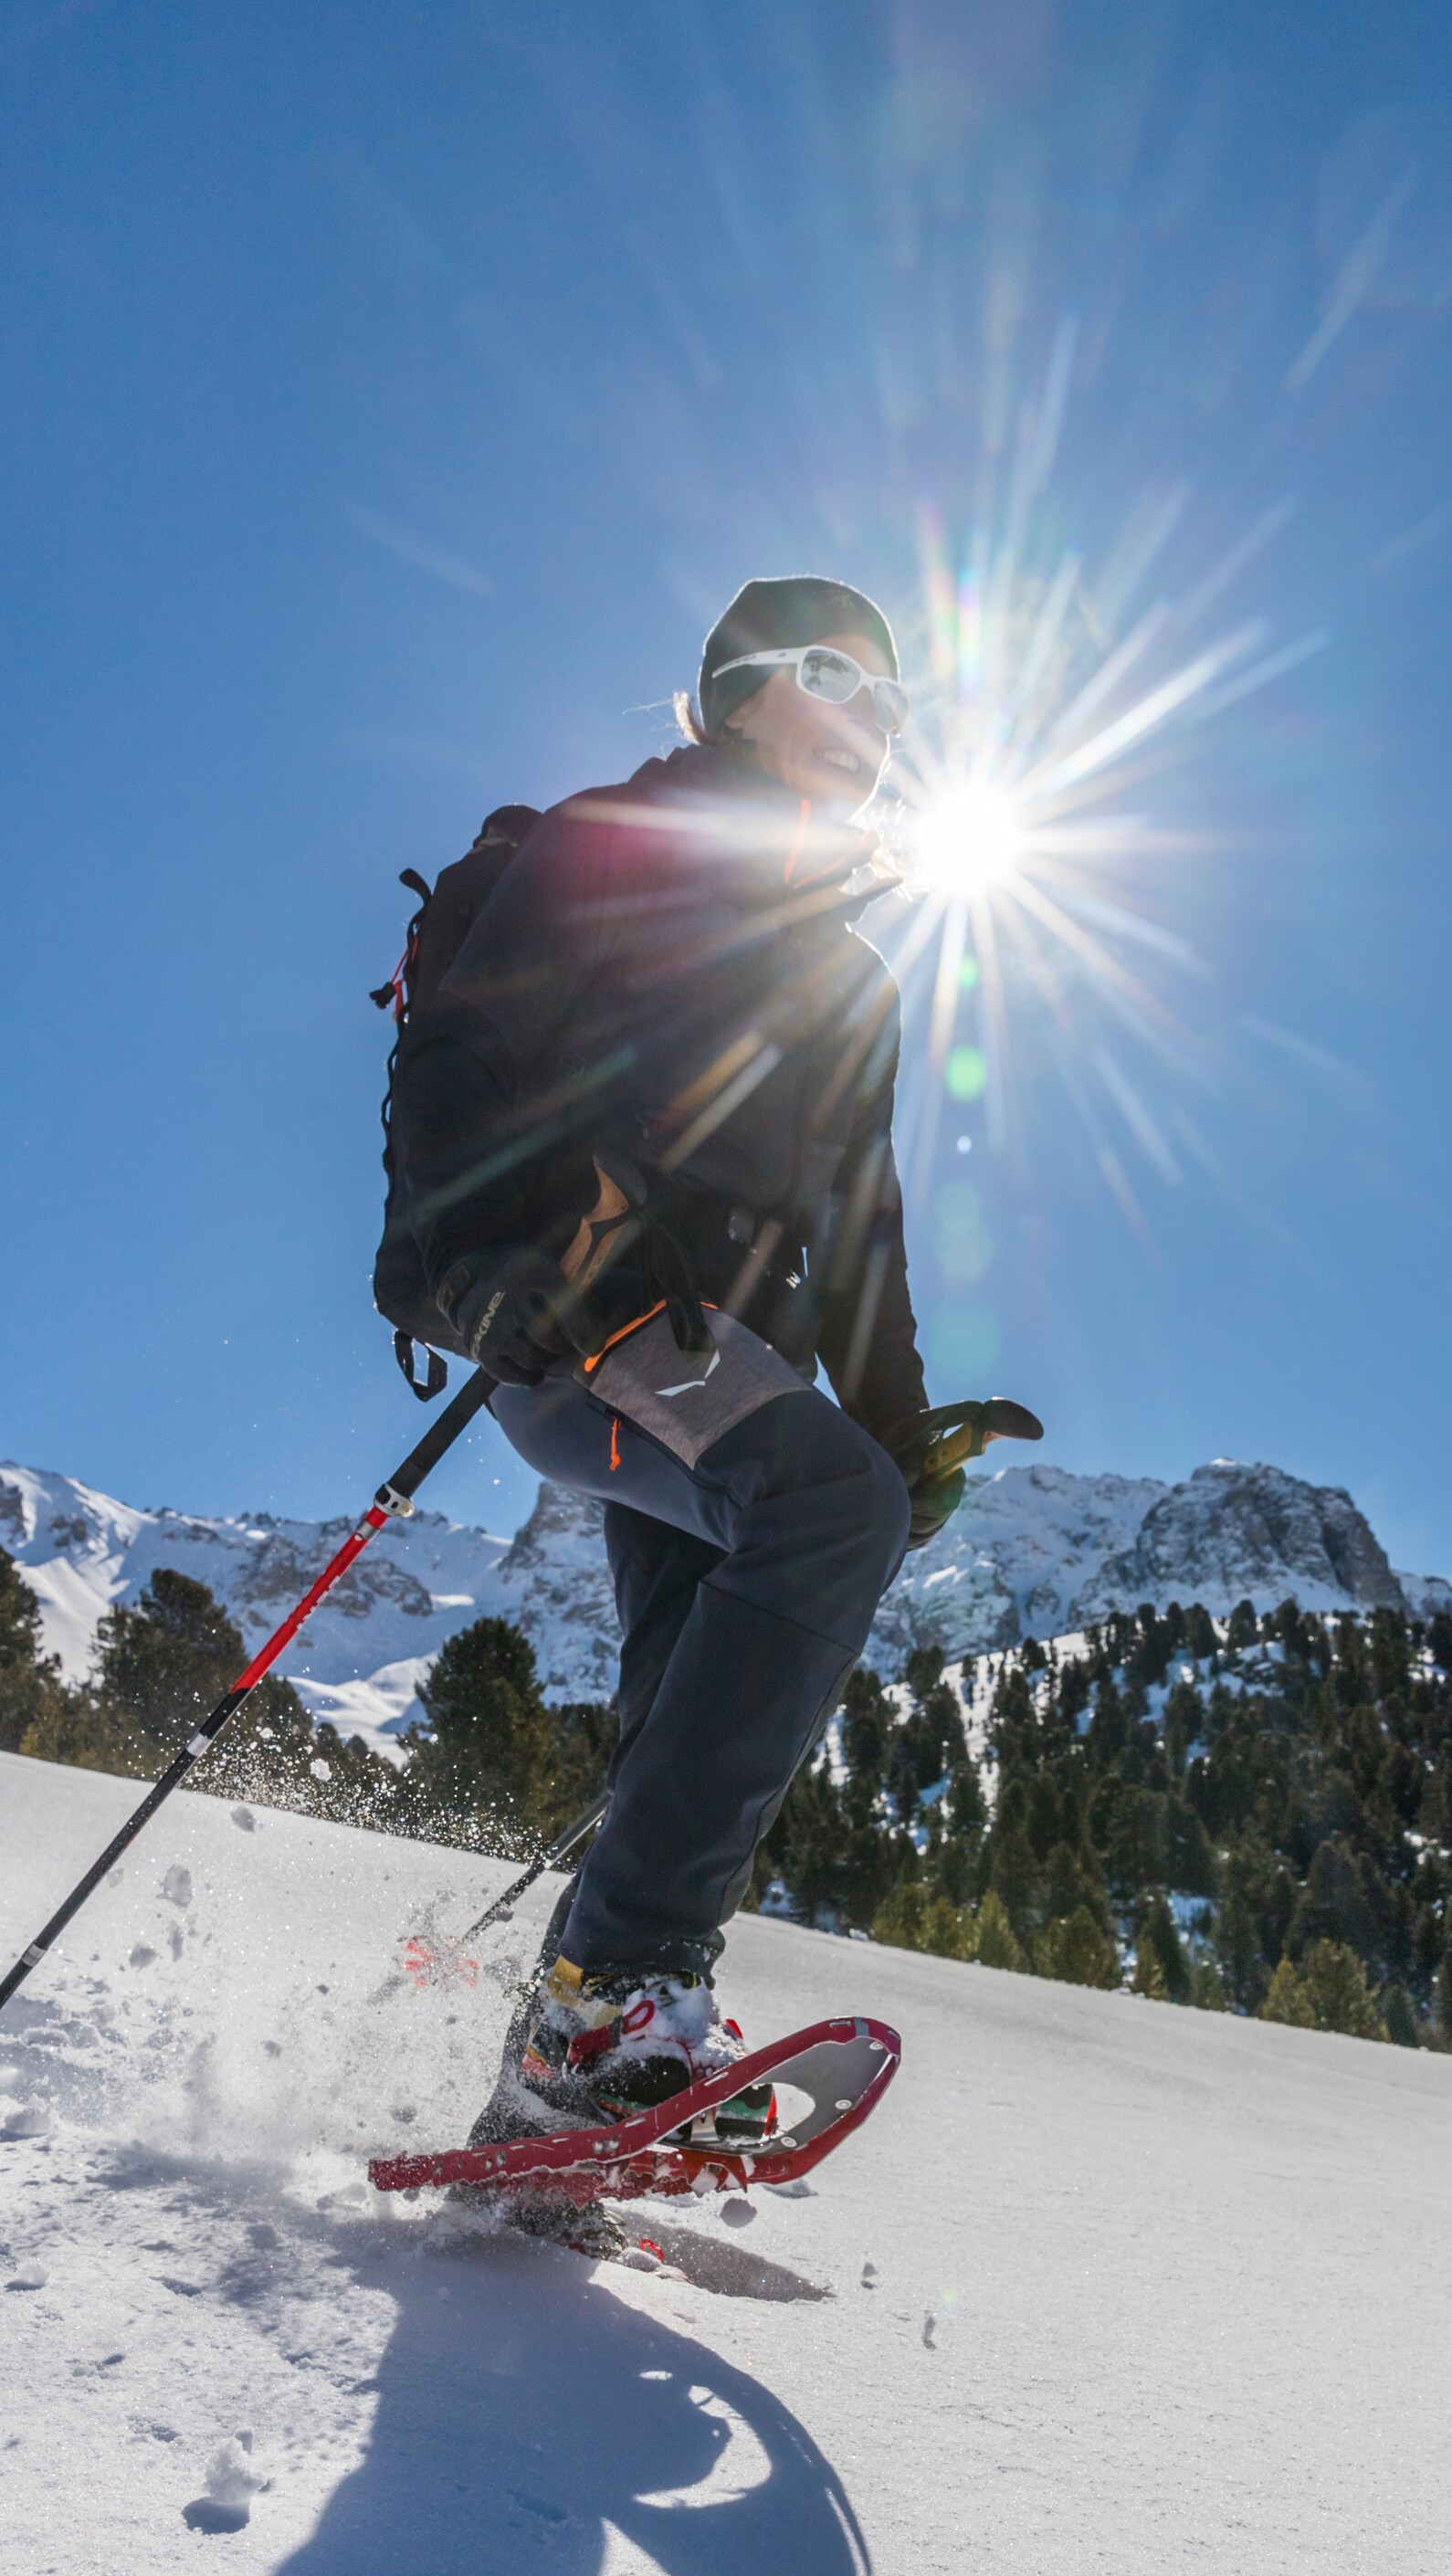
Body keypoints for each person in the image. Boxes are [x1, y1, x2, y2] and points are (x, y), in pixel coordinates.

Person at [378, 575, 961, 2139]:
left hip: (717, 1363)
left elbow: (864, 1233)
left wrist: (902, 1434)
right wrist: (474, 1254)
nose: (877, 721)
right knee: (821, 1516)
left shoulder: (851, 977)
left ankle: (585, 2071)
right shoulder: (617, 841)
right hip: (579, 1313)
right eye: (841, 678)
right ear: (740, 690)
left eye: (894, 701)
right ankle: (608, 1993)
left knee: (702, 1640)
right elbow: (460, 1052)